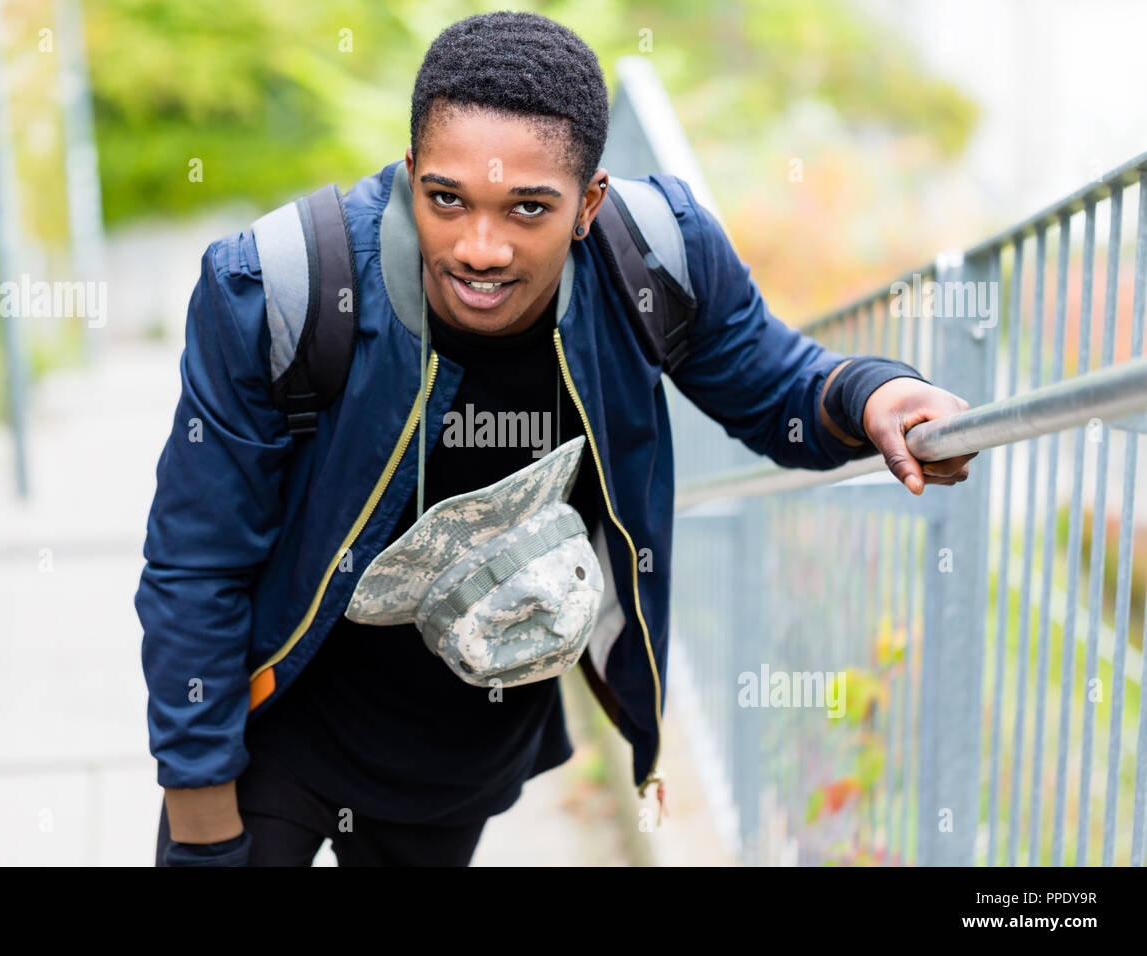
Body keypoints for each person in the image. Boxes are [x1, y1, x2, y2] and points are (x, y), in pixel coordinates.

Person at [136, 10, 975, 867]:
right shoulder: (280, 287)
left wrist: (875, 395)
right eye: (447, 200)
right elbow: (195, 559)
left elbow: (777, 385)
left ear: (589, 203)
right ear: (409, 171)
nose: (480, 248)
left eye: (527, 208)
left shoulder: (656, 261)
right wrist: (199, 807)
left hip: (459, 747)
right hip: (276, 721)